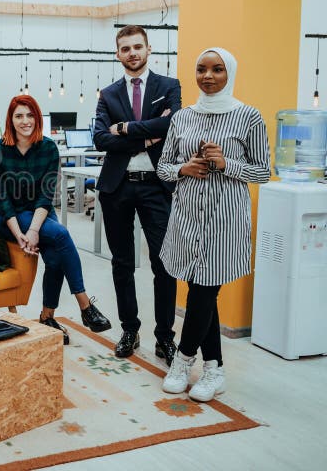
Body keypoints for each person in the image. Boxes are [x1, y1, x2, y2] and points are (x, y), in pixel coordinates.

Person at [158, 47, 269, 401]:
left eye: (217, 70)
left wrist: (227, 163)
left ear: (229, 73)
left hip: (225, 221)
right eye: (202, 69)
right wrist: (182, 169)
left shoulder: (248, 117)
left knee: (203, 292)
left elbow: (263, 172)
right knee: (203, 292)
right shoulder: (182, 117)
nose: (208, 76)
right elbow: (163, 167)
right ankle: (214, 368)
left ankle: (182, 358)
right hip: (187, 218)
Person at [93, 24, 181, 365]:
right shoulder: (108, 94)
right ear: (118, 54)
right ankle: (130, 329)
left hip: (157, 185)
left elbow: (173, 124)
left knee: (164, 263)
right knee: (122, 263)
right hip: (117, 187)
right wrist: (147, 136)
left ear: (148, 49)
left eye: (137, 46)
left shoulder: (168, 86)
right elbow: (101, 138)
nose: (132, 53)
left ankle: (164, 337)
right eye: (125, 48)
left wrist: (127, 129)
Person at [0, 96, 111, 344]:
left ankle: (47, 316)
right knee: (61, 235)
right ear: (10, 120)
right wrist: (21, 234)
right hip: (9, 217)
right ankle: (85, 304)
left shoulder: (47, 148)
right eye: (19, 116)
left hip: (39, 211)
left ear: (37, 117)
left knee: (55, 257)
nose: (25, 121)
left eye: (30, 115)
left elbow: (46, 196)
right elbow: (2, 200)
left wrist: (34, 230)